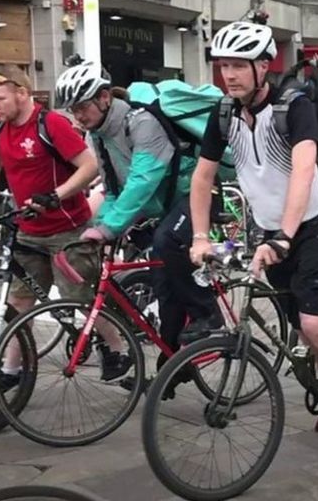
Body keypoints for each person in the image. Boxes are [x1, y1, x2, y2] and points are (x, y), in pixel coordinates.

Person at [186, 21, 318, 449]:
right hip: (270, 230)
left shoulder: (294, 106)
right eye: (222, 65)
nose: (228, 74)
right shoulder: (223, 113)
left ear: (263, 66)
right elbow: (202, 177)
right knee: (302, 332)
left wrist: (285, 236)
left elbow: (303, 173)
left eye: (237, 65)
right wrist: (200, 236)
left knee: (314, 323)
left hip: (312, 226)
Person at [0, 64, 131, 390]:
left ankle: (117, 348)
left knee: (78, 297)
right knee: (19, 303)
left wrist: (56, 196)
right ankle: (12, 370)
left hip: (66, 227)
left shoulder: (49, 124)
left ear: (22, 94)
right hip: (28, 228)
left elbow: (89, 166)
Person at [53, 61, 207, 365]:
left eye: (82, 106)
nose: (78, 116)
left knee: (166, 242)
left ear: (105, 98)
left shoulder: (141, 121)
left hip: (196, 193)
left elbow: (142, 181)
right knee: (163, 282)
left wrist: (109, 228)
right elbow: (113, 191)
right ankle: (175, 365)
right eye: (73, 110)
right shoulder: (98, 135)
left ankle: (208, 315)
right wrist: (97, 228)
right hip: (164, 206)